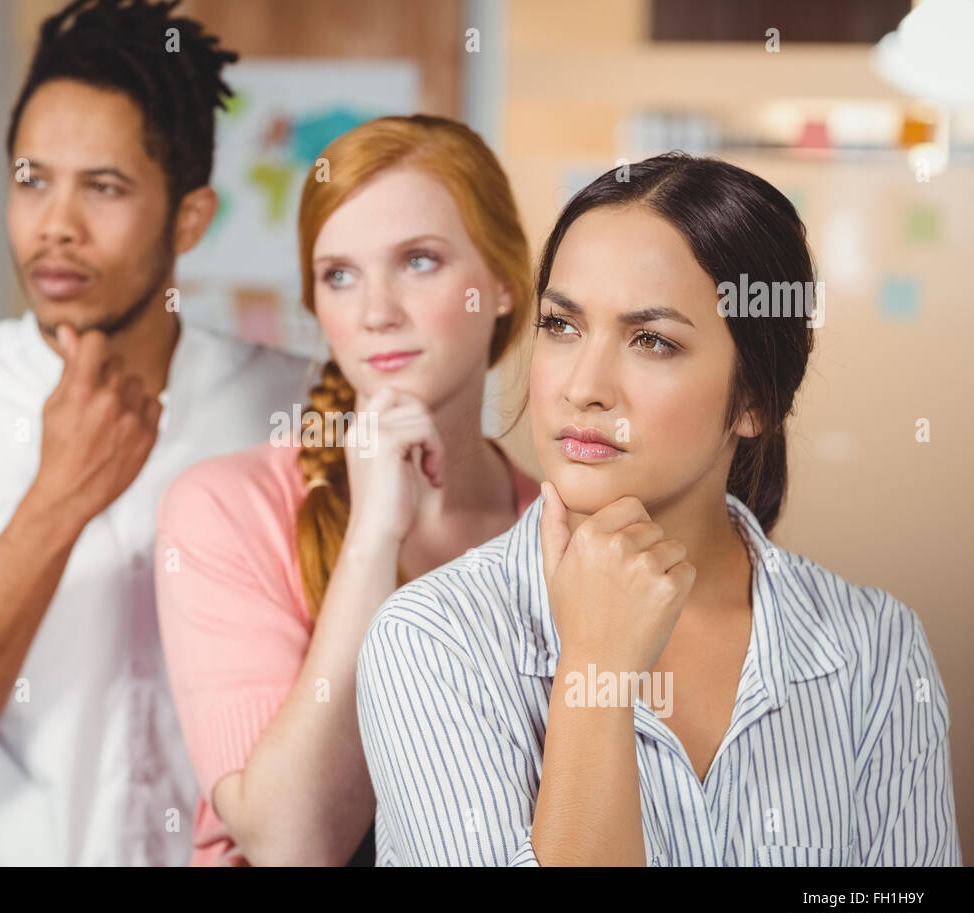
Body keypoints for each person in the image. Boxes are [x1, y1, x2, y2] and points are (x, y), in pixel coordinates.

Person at [0, 0, 310, 865]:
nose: (56, 224)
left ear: (189, 218)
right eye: (32, 179)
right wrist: (57, 499)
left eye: (103, 187)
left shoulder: (295, 408)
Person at [356, 152, 961, 866]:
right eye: (561, 325)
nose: (584, 386)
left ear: (754, 399)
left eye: (652, 341)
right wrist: (595, 667)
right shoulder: (434, 641)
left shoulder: (877, 647)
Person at [154, 115, 541, 866]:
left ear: (500, 284)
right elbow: (291, 844)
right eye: (339, 275)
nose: (375, 313)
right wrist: (372, 540)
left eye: (420, 261)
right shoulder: (223, 512)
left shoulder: (556, 535)